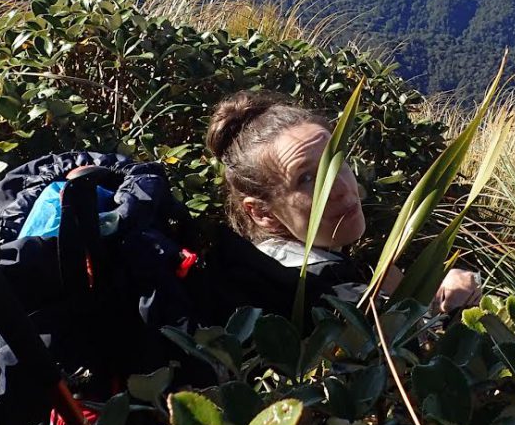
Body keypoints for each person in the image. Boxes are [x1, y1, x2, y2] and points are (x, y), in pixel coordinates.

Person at [201, 90, 481, 321]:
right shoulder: (318, 291)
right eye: (307, 178)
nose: (340, 188)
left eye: (336, 162)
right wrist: (456, 308)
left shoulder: (265, 268)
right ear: (262, 212)